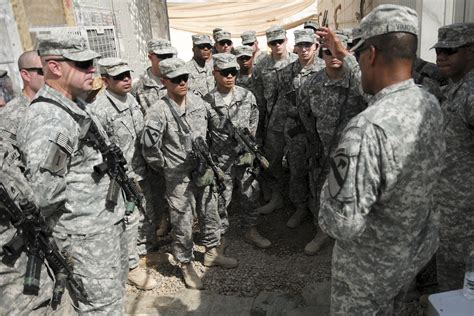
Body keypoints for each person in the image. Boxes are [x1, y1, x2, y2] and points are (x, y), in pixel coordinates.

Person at [317, 4, 445, 314]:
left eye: (359, 54)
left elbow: (340, 224)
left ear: (371, 54)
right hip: (408, 259)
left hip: (366, 276)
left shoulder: (365, 130)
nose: (358, 61)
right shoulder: (427, 103)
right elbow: (381, 97)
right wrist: (345, 54)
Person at [17, 34, 128, 314]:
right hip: (84, 236)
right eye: (83, 64)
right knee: (100, 308)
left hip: (102, 227)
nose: (93, 69)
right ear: (54, 67)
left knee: (111, 301)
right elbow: (44, 194)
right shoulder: (50, 119)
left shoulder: (75, 105)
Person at [142, 57, 237, 290]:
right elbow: (149, 148)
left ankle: (211, 252)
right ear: (164, 81)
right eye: (176, 80)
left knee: (210, 209)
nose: (182, 83)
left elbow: (217, 128)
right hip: (177, 175)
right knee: (182, 220)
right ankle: (185, 264)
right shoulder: (158, 111)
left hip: (202, 168)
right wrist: (165, 166)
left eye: (185, 78)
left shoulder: (198, 102)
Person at [90, 57, 157, 290]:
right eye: (119, 77)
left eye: (127, 74)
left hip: (140, 169)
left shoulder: (130, 99)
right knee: (129, 219)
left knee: (144, 211)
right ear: (105, 80)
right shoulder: (99, 109)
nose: (126, 79)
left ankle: (144, 252)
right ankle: (131, 267)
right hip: (120, 178)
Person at [301, 33, 366, 255]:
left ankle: (352, 238)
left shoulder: (359, 81)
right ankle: (322, 232)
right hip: (324, 149)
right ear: (322, 55)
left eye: (338, 52)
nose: (333, 57)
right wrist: (314, 143)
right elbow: (306, 115)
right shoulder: (313, 83)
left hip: (355, 153)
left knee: (353, 196)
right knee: (323, 193)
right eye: (327, 53)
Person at [203, 53, 271, 249]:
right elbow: (204, 132)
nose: (230, 76)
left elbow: (253, 121)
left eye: (233, 72)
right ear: (215, 73)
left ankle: (250, 229)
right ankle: (221, 235)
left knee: (250, 192)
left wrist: (249, 144)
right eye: (224, 73)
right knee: (222, 197)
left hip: (245, 155)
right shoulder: (207, 102)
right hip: (221, 158)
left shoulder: (246, 96)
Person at [433, 22, 474, 292]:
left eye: (450, 50)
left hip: (466, 213)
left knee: (462, 287)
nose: (441, 57)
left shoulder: (471, 93)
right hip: (449, 207)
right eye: (439, 50)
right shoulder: (455, 87)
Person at [279, 29, 325, 229]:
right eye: (301, 45)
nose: (305, 49)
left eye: (309, 45)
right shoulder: (287, 72)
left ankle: (319, 212)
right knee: (296, 168)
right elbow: (283, 102)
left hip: (318, 128)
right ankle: (300, 207)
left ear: (316, 47)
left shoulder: (325, 70)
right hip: (295, 127)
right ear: (295, 48)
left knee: (318, 171)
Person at [133, 38, 177, 248]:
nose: (168, 61)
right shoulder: (139, 88)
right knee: (158, 188)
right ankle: (164, 219)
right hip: (156, 149)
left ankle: (183, 225)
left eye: (171, 56)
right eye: (163, 57)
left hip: (177, 145)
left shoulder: (179, 78)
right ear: (151, 57)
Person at [253, 25, 297, 214]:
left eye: (280, 41)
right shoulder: (262, 66)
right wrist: (260, 129)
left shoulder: (298, 62)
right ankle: (278, 198)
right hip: (274, 123)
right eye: (273, 42)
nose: (278, 45)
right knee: (274, 162)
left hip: (297, 123)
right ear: (268, 44)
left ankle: (300, 204)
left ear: (286, 40)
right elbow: (260, 100)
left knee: (298, 162)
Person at [0, 50, 44, 160]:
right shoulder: (9, 116)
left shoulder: (63, 103)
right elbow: (11, 164)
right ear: (26, 75)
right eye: (43, 71)